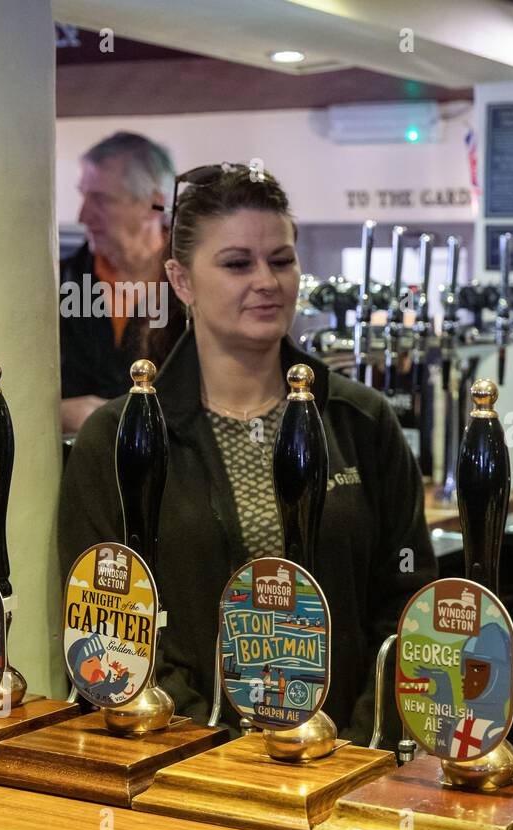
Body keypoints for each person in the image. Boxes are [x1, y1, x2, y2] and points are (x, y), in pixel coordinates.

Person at [59, 164, 436, 744]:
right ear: (181, 281)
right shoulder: (118, 438)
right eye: (237, 263)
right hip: (181, 768)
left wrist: (359, 743)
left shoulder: (361, 420)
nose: (266, 280)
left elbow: (407, 607)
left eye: (281, 260)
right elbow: (106, 630)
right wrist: (213, 749)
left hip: (348, 766)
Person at [60, 131, 184, 435]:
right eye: (84, 195)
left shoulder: (195, 286)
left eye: (100, 199)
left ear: (153, 203)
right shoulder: (57, 281)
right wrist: (54, 412)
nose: (83, 215)